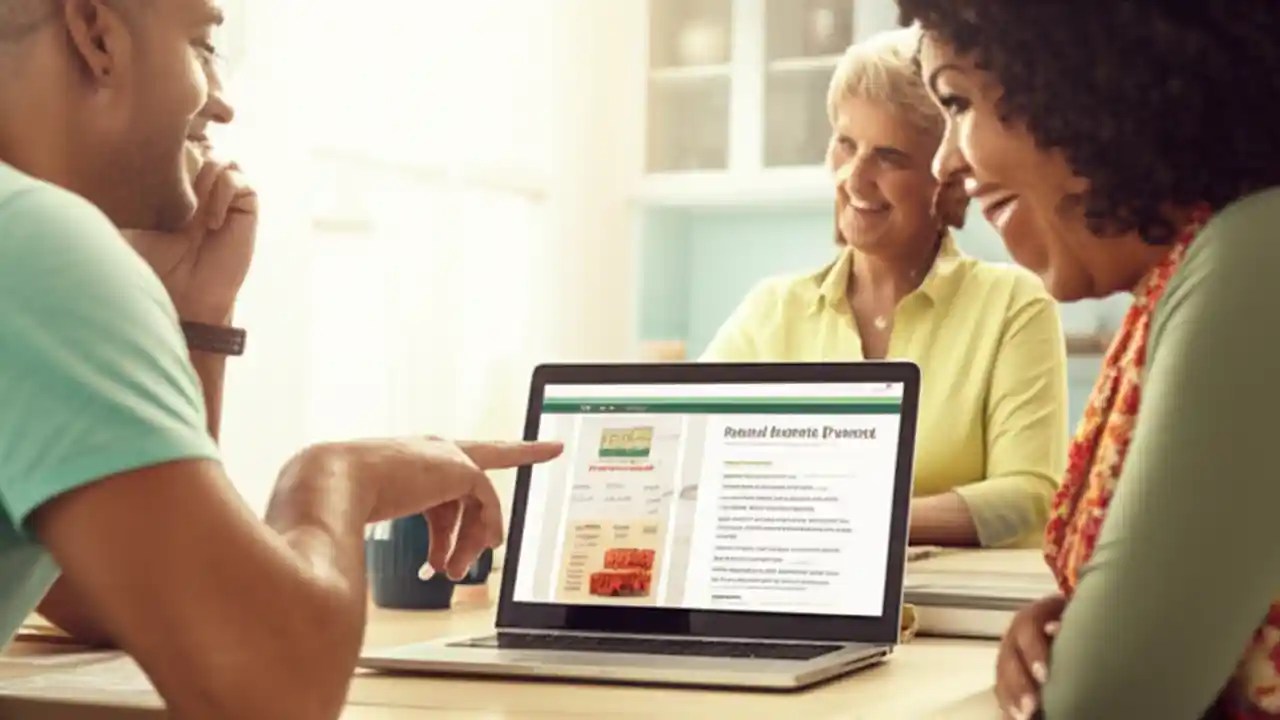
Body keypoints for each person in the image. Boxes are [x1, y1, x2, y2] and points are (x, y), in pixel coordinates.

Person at [0, 2, 560, 719]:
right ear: (96, 34)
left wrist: (193, 322)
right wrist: (336, 476)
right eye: (202, 47)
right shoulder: (37, 245)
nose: (221, 103)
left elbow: (131, 602)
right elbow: (272, 691)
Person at [905, 1, 1280, 717]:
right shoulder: (1212, 265)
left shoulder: (1253, 259)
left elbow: (1104, 701)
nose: (944, 162)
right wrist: (1085, 615)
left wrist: (1095, 647)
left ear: (1082, 77)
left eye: (956, 102)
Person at [702, 27, 1068, 549]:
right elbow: (692, 458)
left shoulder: (1013, 305)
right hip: (796, 598)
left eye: (889, 156)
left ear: (945, 175)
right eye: (845, 144)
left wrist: (847, 517)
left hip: (952, 616)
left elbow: (1028, 498)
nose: (854, 177)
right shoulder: (772, 311)